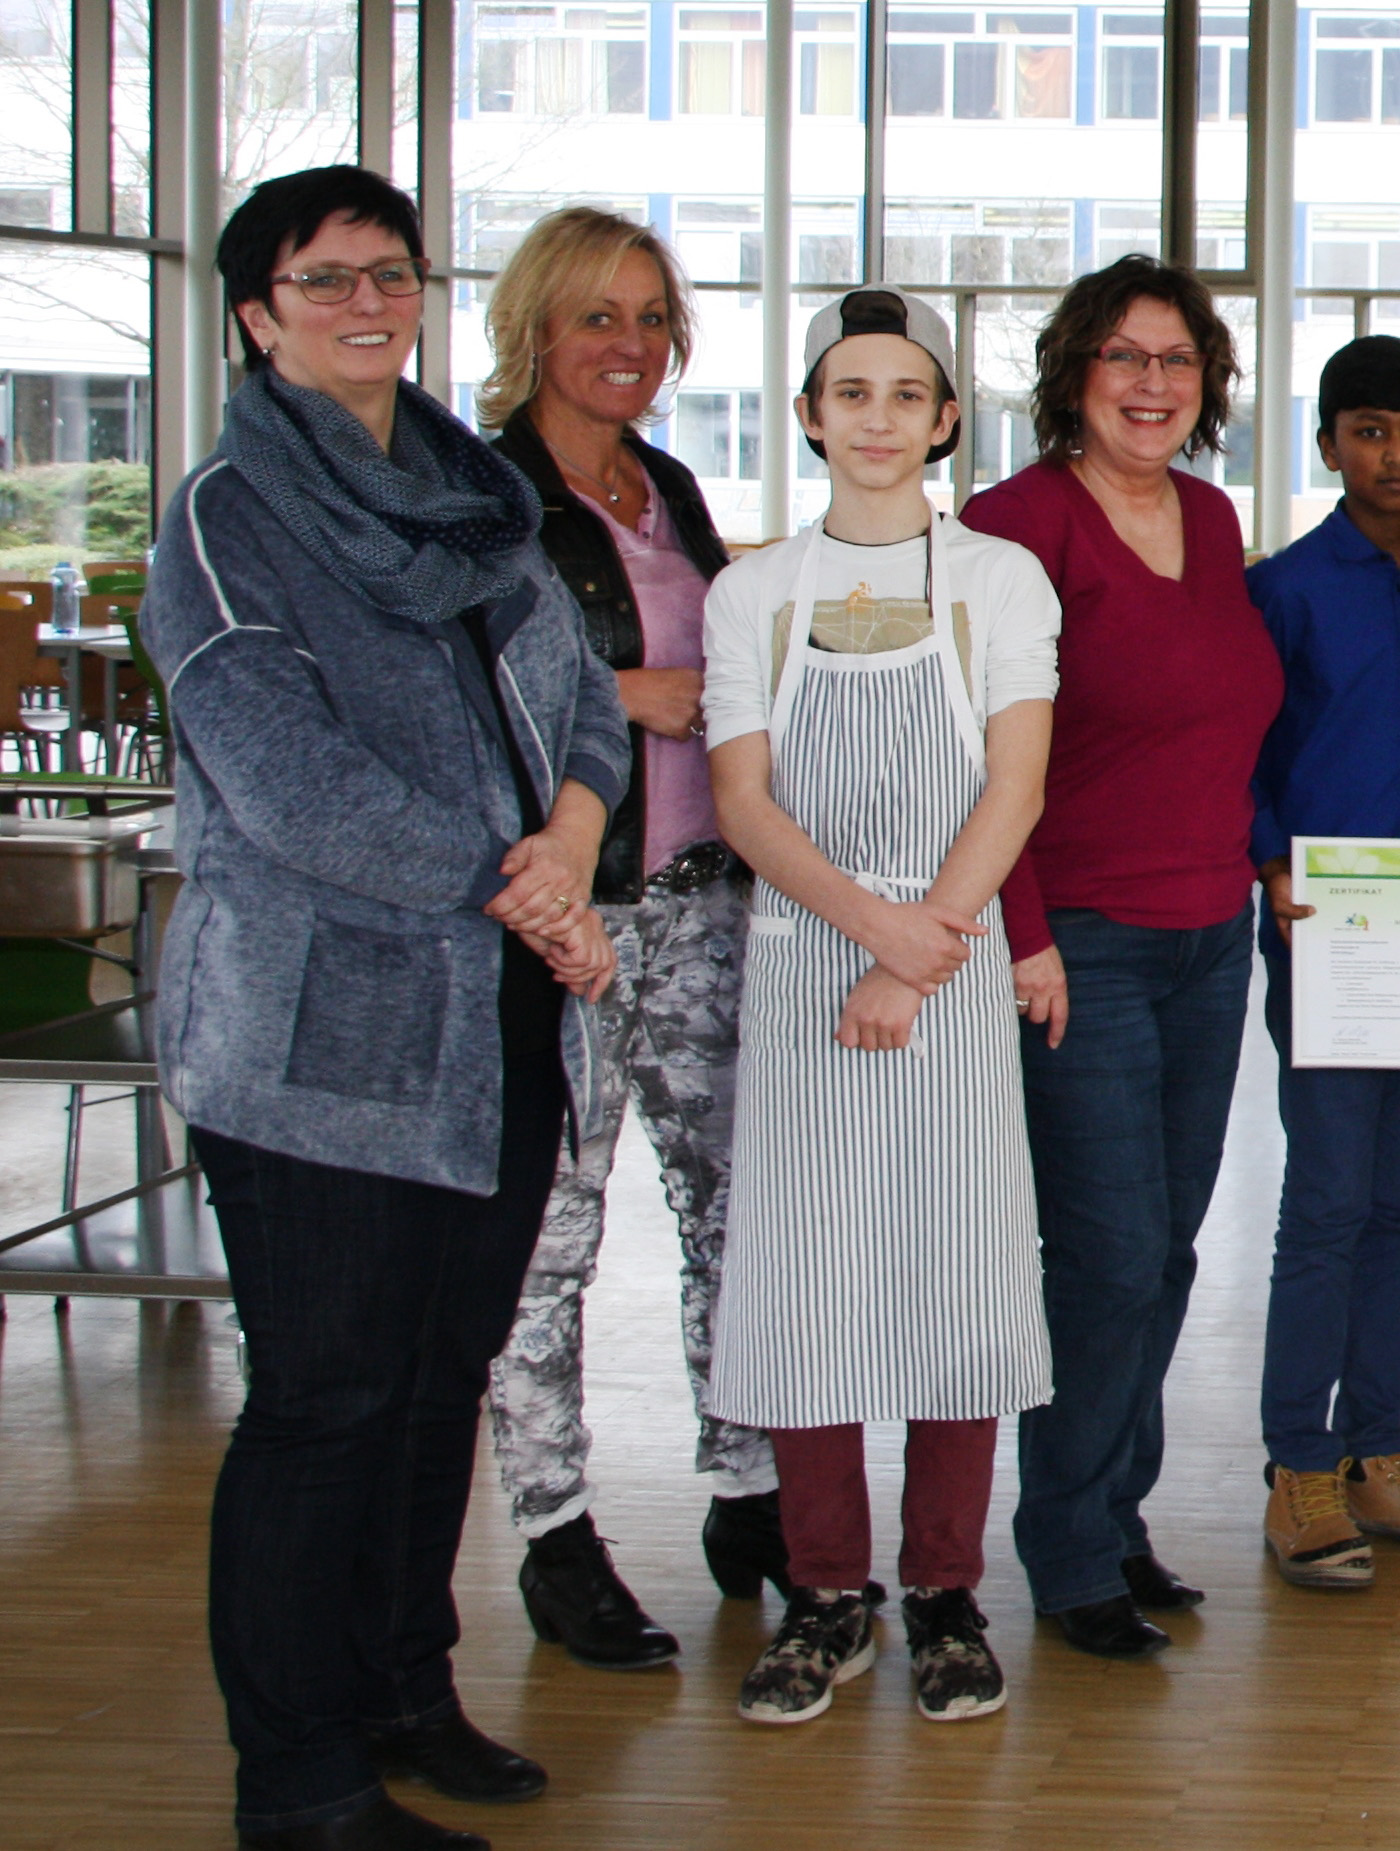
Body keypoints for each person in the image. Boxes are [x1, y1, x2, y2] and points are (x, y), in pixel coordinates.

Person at [147, 164, 625, 1851]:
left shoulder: (474, 496)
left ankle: (404, 1691)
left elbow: (585, 703)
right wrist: (522, 885)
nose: (368, 303)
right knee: (326, 1406)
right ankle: (299, 1782)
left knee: (436, 1386)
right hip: (323, 1044)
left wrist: (574, 834)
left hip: (496, 1026)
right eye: (326, 278)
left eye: (392, 273)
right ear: (257, 315)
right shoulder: (228, 516)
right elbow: (287, 779)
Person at [700, 289, 1061, 1725]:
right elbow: (743, 801)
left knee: (956, 1278)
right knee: (808, 1287)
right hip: (805, 961)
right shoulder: (753, 593)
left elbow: (1015, 785)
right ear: (807, 416)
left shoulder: (1000, 581)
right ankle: (826, 1594)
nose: (876, 418)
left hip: (949, 963)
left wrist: (917, 953)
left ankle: (945, 1592)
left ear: (946, 419)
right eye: (848, 392)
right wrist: (872, 936)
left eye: (906, 394)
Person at [475, 203, 783, 1672]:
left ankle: (749, 1489)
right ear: (534, 324)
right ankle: (555, 1533)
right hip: (569, 920)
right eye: (598, 314)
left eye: (654, 318)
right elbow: (455, 688)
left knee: (738, 1210)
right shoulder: (483, 495)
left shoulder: (665, 486)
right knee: (553, 1234)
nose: (631, 344)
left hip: (708, 904)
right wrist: (626, 692)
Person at [962, 255, 1284, 1660]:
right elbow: (978, 764)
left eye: (1178, 360)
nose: (1153, 385)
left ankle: (1115, 1510)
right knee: (1102, 1257)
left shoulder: (1210, 520)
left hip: (1211, 937)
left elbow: (1225, 725)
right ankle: (1067, 1546)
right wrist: (1023, 935)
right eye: (1124, 358)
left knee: (1164, 1251)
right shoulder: (1013, 527)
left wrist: (1262, 870)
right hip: (1077, 943)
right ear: (1073, 376)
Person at [1244, 336, 1400, 1587]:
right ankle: (1299, 1465)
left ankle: (1380, 1451)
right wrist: (1264, 861)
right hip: (1326, 932)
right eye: (1367, 431)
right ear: (1328, 444)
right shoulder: (1282, 589)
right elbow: (1240, 747)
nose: (1394, 456)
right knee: (1327, 1202)